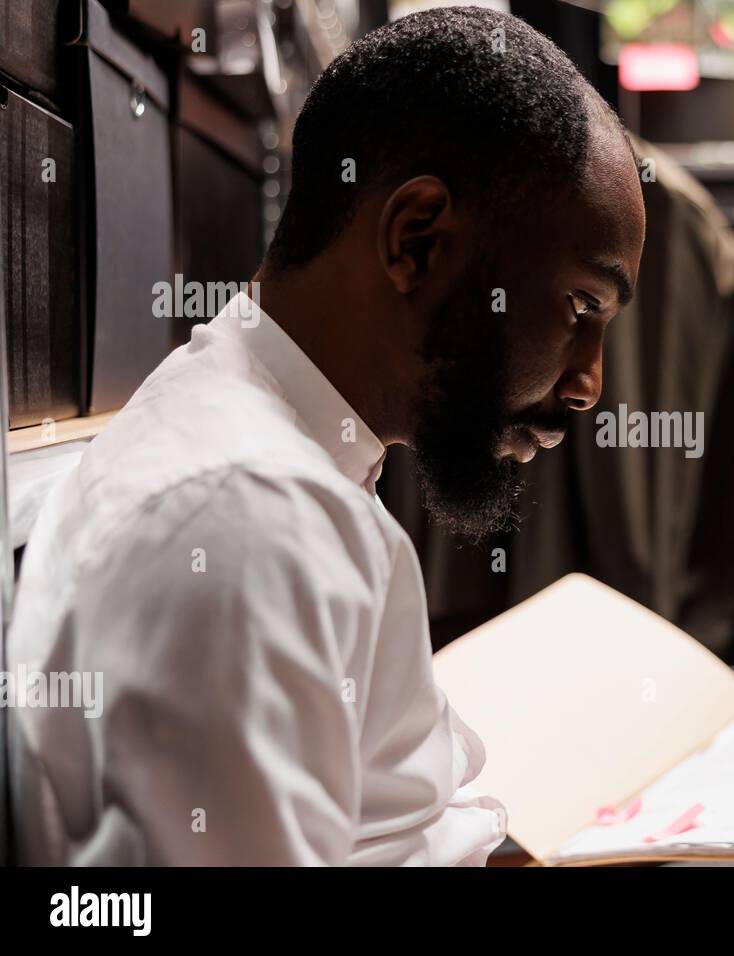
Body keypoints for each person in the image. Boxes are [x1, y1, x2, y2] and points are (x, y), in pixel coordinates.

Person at [7, 7, 645, 865]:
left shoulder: (294, 444)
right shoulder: (247, 515)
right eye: (580, 309)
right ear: (417, 241)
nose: (588, 385)